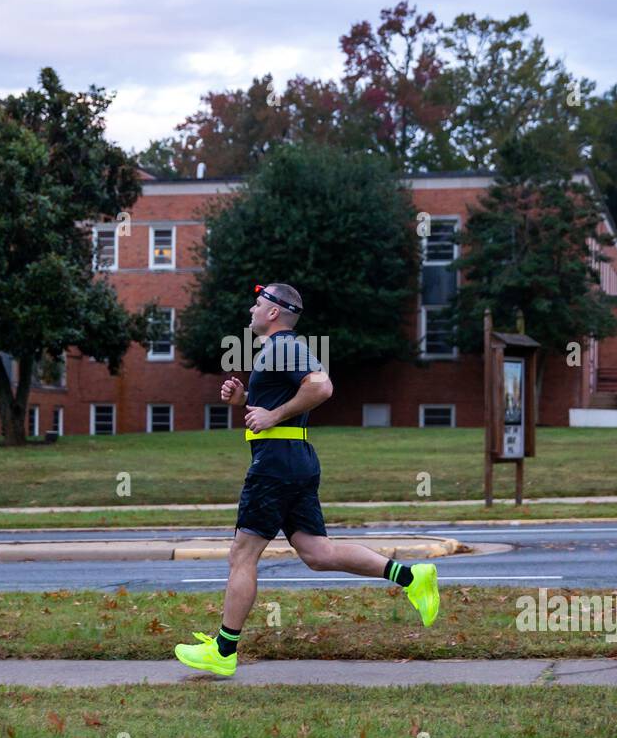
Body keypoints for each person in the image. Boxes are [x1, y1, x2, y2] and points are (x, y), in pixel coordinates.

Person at [173, 282, 440, 677]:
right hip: (293, 459)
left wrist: (272, 416)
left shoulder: (284, 347)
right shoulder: (276, 351)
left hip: (276, 463)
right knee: (318, 553)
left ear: (274, 312)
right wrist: (245, 401)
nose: (251, 309)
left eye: (257, 303)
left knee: (242, 556)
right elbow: (276, 407)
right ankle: (411, 576)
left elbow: (322, 387)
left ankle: (224, 651)